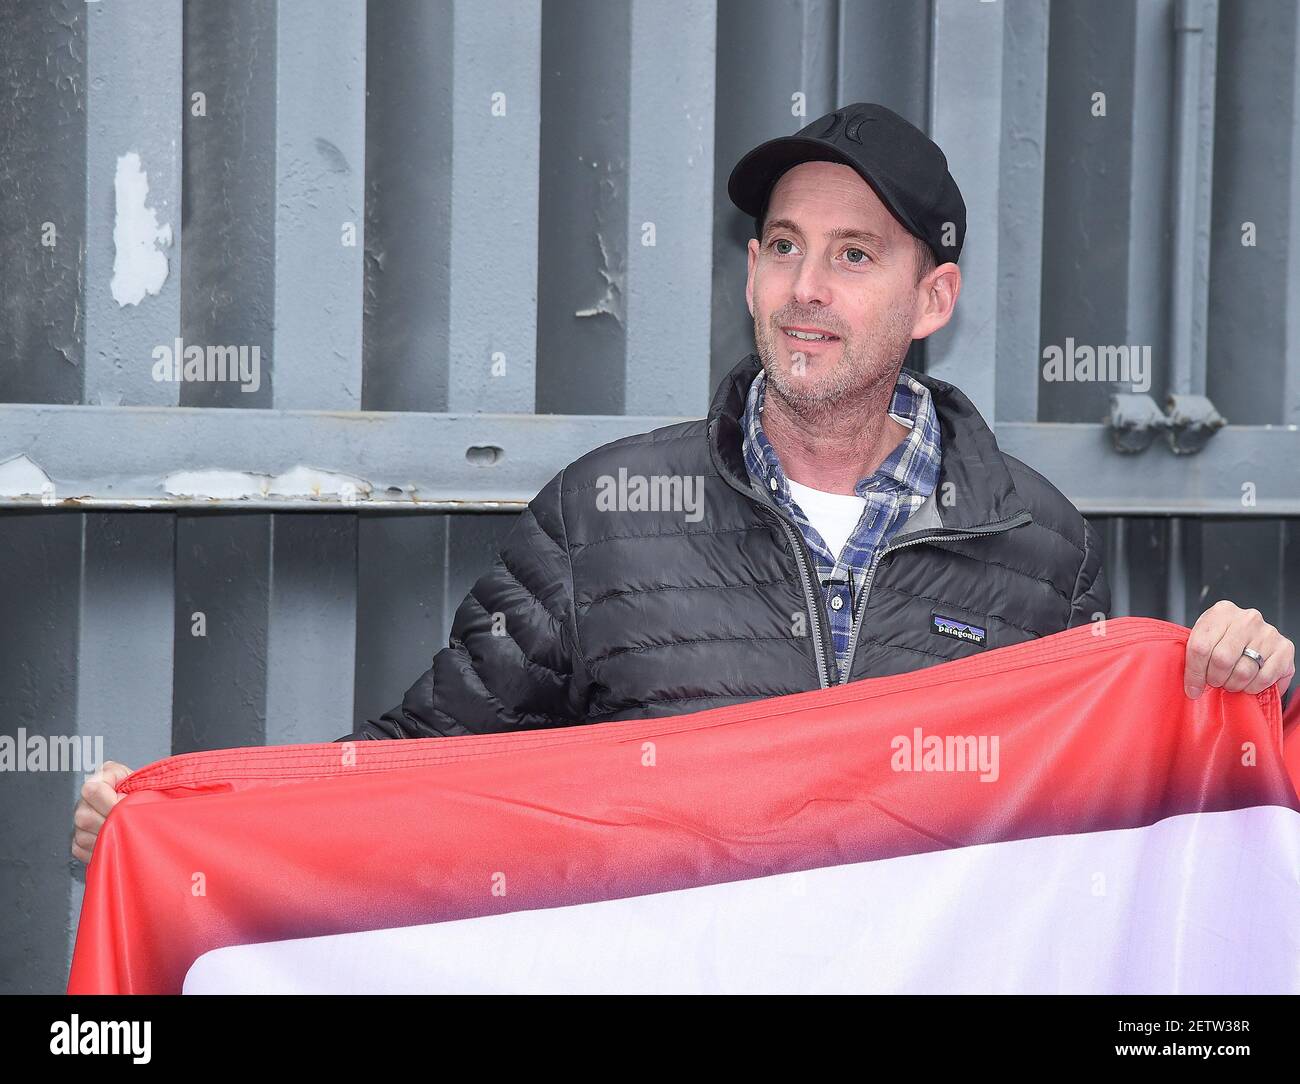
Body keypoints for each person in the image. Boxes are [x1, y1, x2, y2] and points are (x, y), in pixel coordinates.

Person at [73, 103, 1295, 864]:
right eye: (780, 247)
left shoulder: (1038, 542)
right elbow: (417, 769)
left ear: (933, 301)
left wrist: (1256, 696)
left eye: (852, 255)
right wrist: (194, 819)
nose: (803, 287)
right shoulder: (607, 518)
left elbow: (1132, 831)